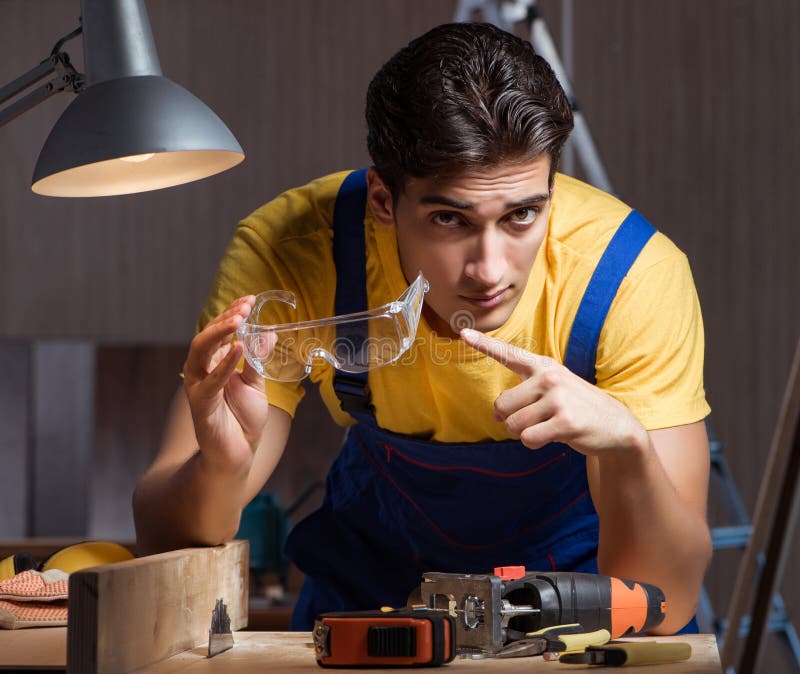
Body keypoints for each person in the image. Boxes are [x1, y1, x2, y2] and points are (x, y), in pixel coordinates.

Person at [133, 22, 711, 635]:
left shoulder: (631, 278)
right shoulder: (296, 254)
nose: (489, 269)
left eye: (522, 215)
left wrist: (628, 448)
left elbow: (662, 604)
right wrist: (220, 471)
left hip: (571, 609)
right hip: (375, 599)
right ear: (383, 201)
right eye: (449, 218)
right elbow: (160, 534)